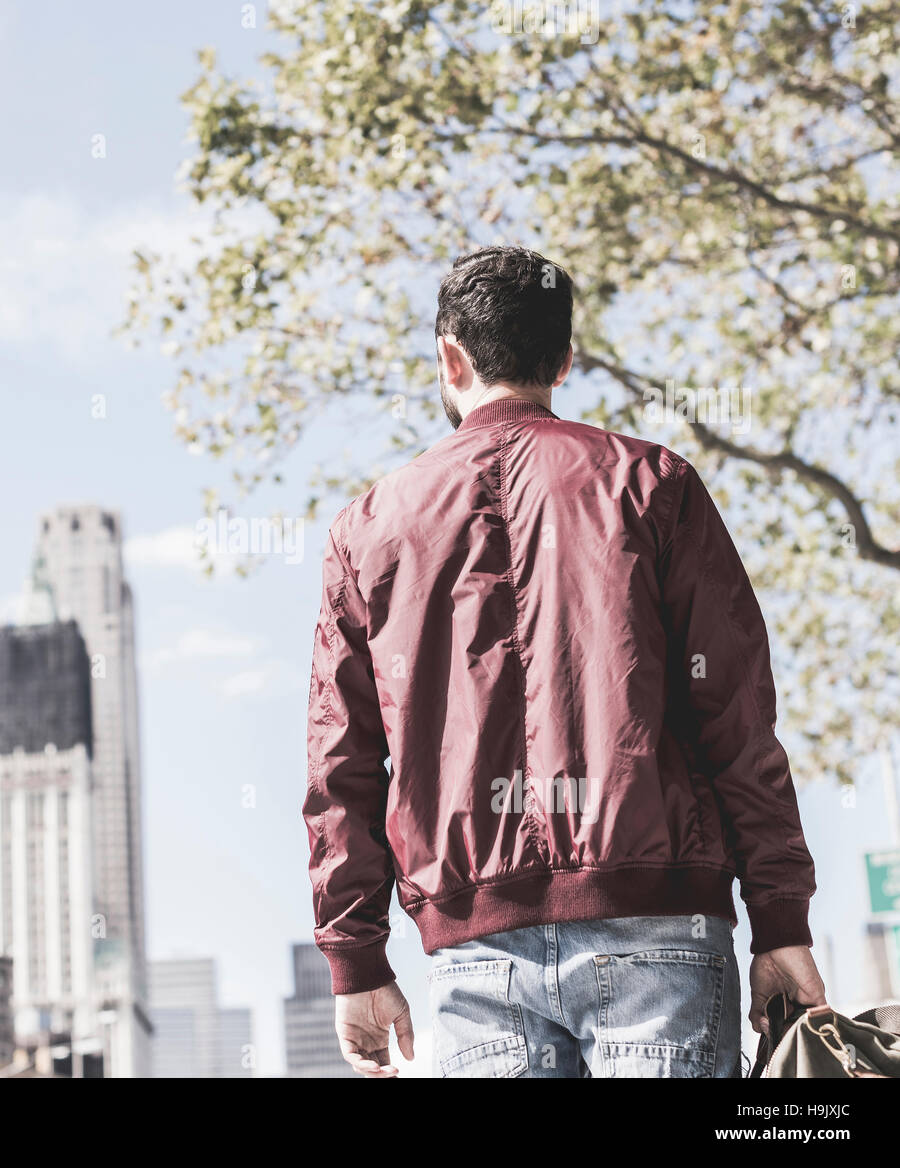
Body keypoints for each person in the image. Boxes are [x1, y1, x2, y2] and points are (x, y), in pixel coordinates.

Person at [304, 246, 825, 1078]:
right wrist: (780, 920)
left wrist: (356, 961)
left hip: (477, 959)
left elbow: (343, 766)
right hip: (663, 932)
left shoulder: (367, 529)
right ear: (564, 360)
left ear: (450, 358)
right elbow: (736, 720)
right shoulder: (655, 484)